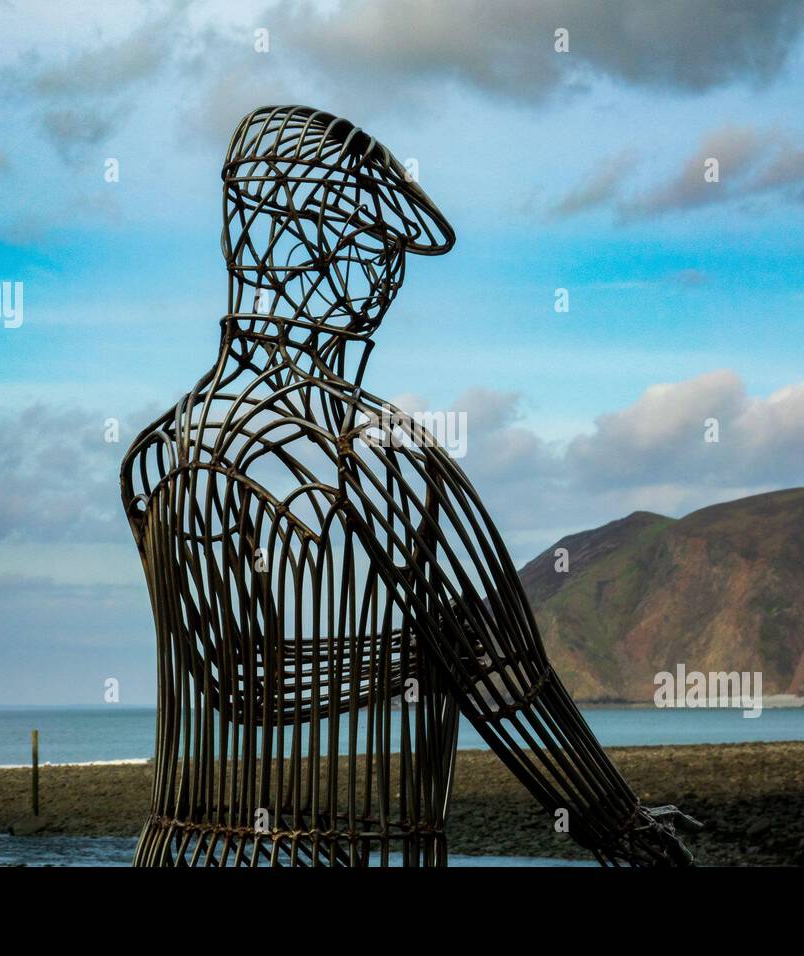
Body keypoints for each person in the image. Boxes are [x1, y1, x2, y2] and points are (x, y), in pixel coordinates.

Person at [121, 105, 695, 866]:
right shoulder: (381, 459)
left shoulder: (161, 452)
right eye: (376, 244)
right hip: (349, 851)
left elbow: (238, 677)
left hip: (185, 851)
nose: (388, 275)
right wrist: (625, 832)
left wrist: (416, 654)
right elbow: (514, 682)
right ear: (310, 240)